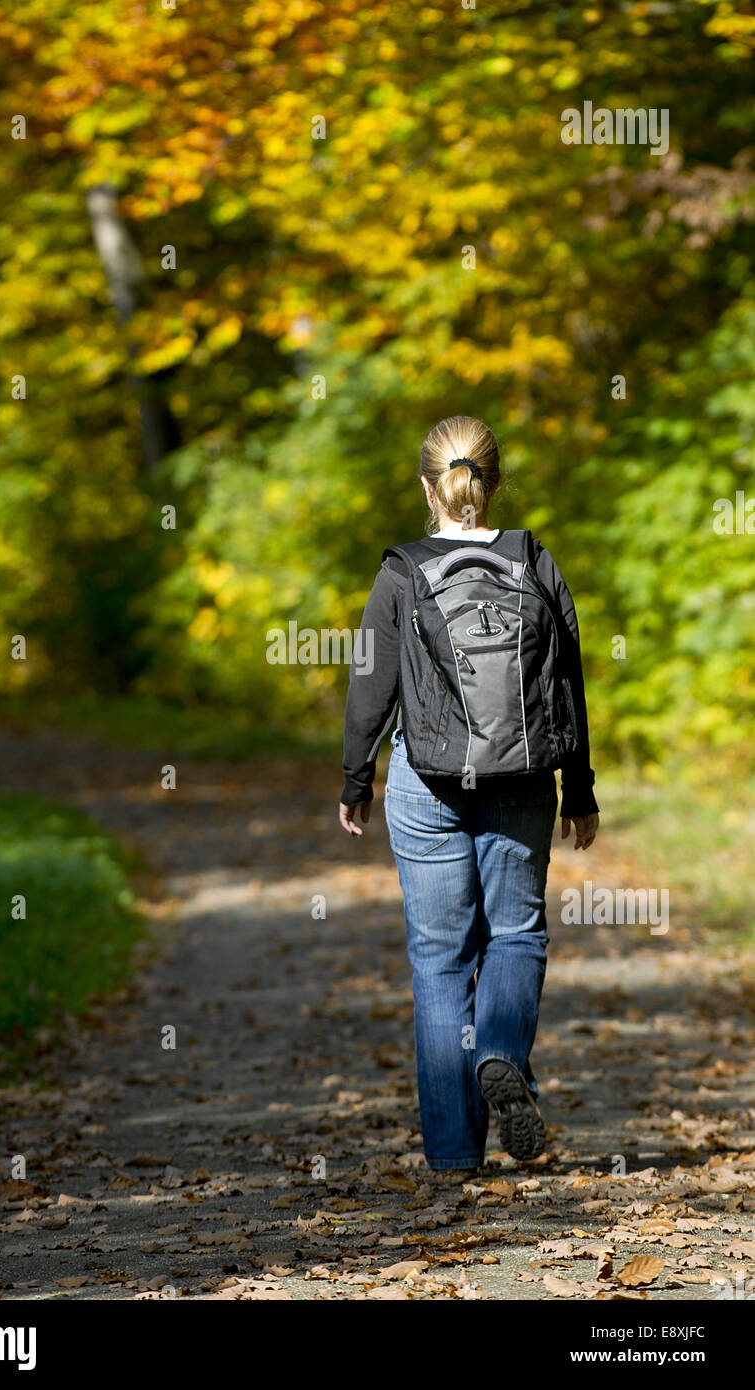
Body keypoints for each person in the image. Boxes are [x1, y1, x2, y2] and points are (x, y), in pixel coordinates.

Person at [338, 416, 599, 1175]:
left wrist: (356, 780)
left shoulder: (402, 571)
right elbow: (568, 681)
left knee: (440, 962)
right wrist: (578, 786)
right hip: (522, 777)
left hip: (427, 782)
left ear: (429, 487)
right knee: (515, 936)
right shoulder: (534, 559)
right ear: (496, 481)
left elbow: (369, 683)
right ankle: (502, 1053)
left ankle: (454, 1157)